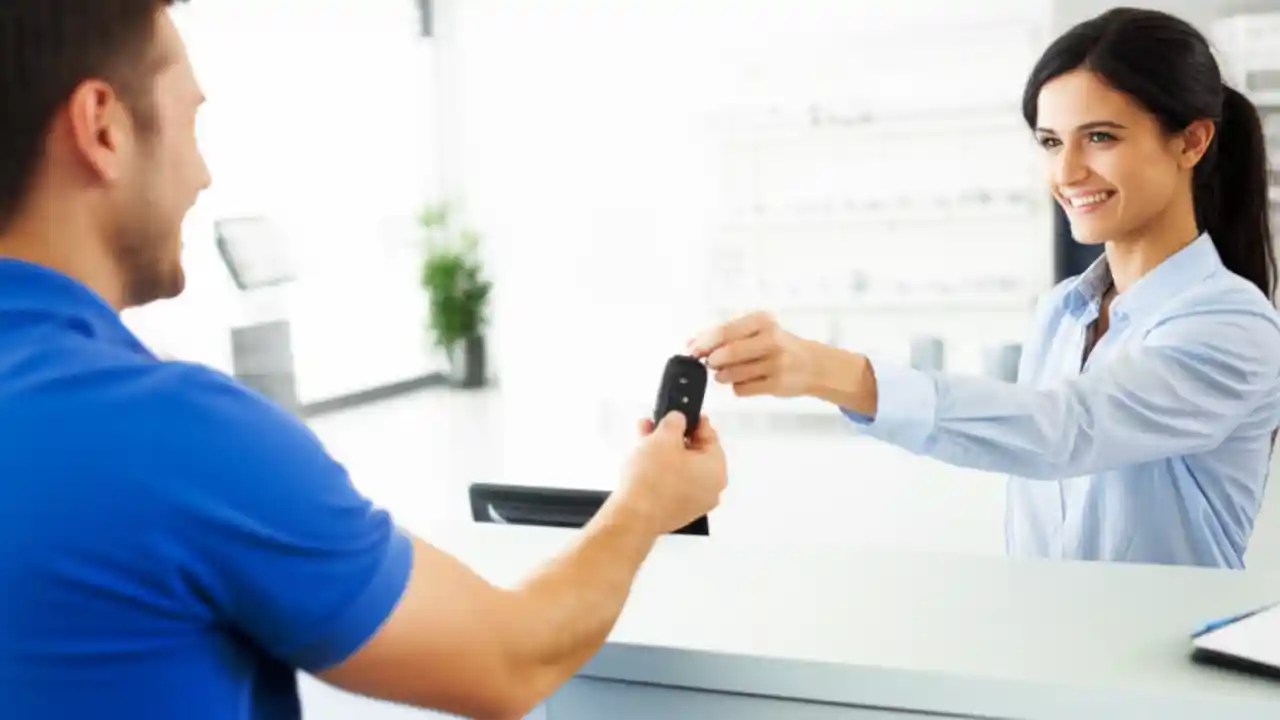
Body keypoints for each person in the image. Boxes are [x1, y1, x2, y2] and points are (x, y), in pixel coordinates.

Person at [0, 2, 727, 719]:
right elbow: (513, 658)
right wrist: (648, 501)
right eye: (190, 123)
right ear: (103, 126)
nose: (203, 174)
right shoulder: (169, 436)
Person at [689, 7, 1280, 570]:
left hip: (1175, 641)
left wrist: (829, 371)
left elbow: (1064, 431)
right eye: (1051, 142)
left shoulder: (1232, 325)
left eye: (1100, 137)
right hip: (1050, 634)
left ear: (1191, 142)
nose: (1067, 172)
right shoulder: (1063, 311)